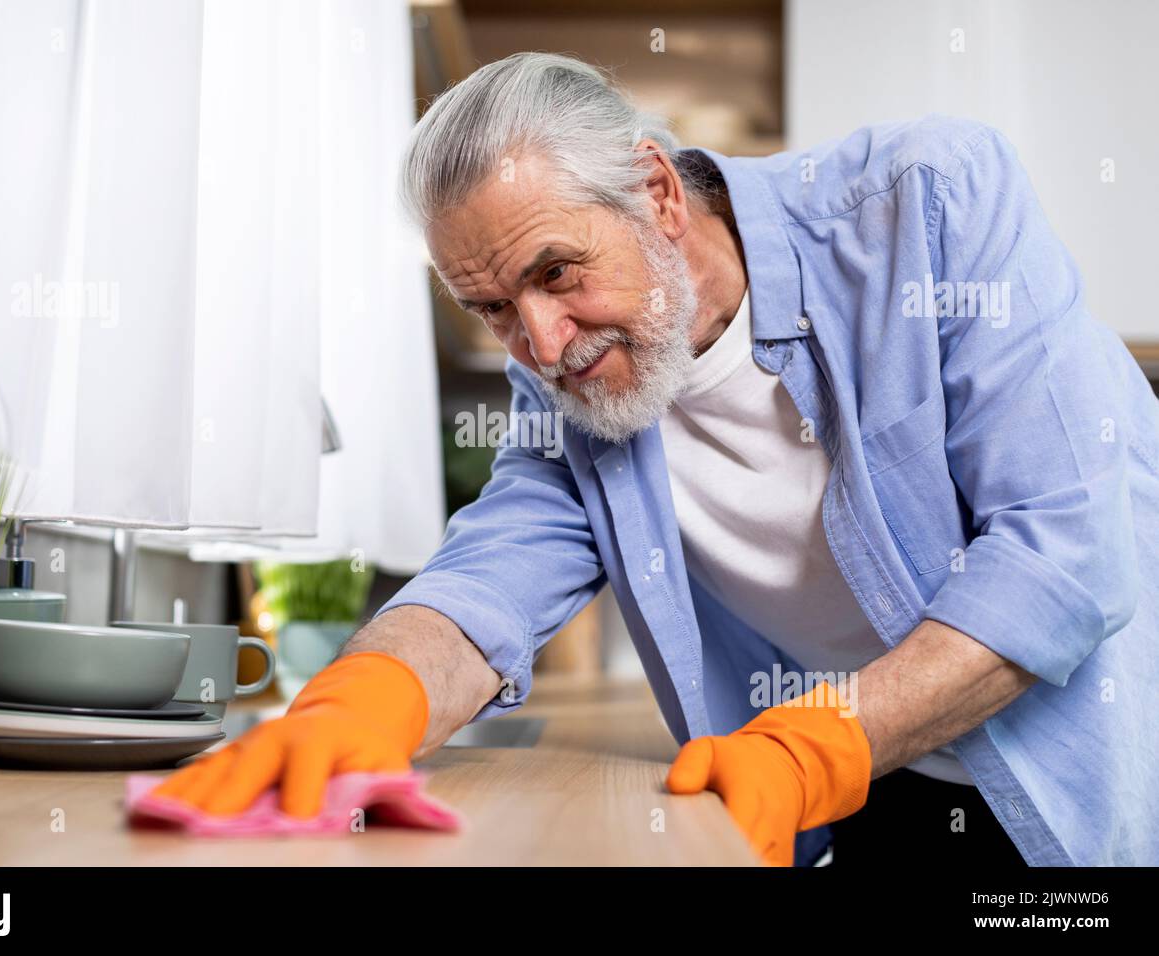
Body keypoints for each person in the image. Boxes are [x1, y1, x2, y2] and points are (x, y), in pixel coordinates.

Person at [154, 53, 1159, 867]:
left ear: (656, 191)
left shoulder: (928, 205)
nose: (542, 344)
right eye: (494, 309)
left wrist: (818, 746)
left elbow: (1066, 547)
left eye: (557, 273)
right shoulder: (568, 381)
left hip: (1093, 792)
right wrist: (363, 697)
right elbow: (493, 575)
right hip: (872, 793)